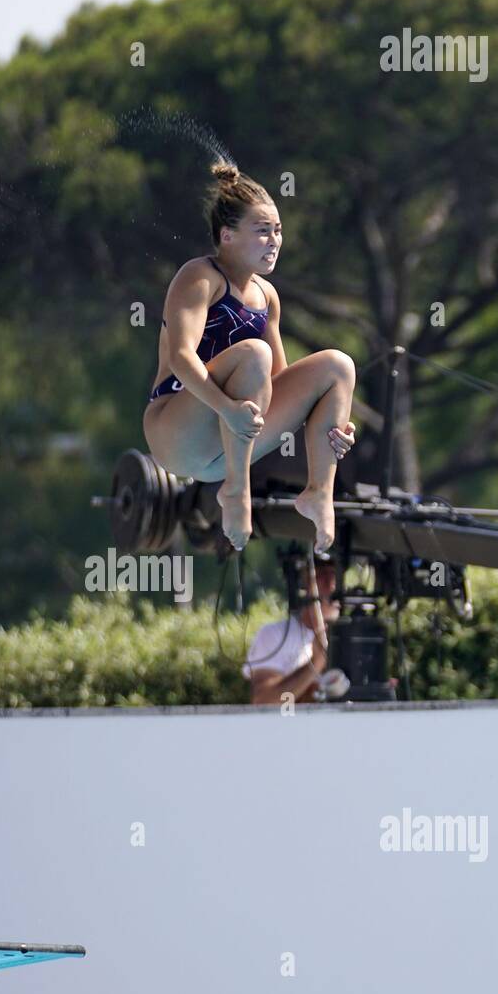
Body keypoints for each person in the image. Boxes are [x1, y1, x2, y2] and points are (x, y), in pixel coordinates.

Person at [143, 160, 356, 553]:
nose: (274, 240)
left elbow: (278, 384)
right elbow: (180, 359)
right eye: (261, 232)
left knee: (338, 366)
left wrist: (333, 427)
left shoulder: (267, 296)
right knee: (253, 354)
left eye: (277, 231)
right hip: (177, 431)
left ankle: (317, 493)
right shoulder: (199, 277)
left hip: (233, 438)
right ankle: (237, 493)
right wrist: (226, 408)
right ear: (227, 236)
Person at [243, 560, 340, 705]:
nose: (331, 585)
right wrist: (315, 664)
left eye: (335, 575)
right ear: (303, 585)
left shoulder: (356, 636)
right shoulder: (275, 634)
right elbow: (264, 701)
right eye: (321, 575)